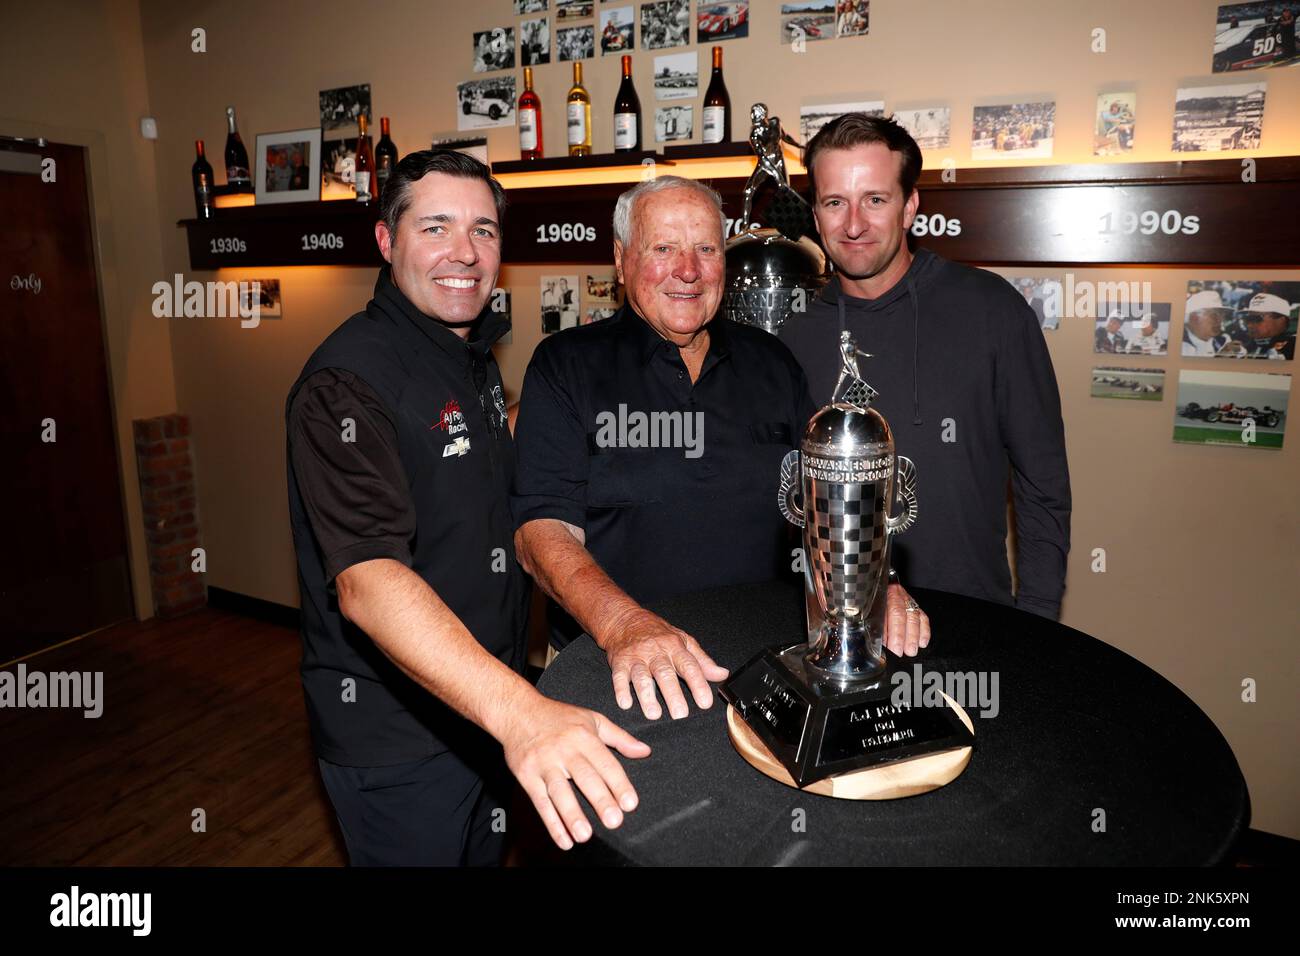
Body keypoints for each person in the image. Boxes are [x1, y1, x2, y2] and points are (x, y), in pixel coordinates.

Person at [285, 150, 647, 863]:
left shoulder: (466, 352)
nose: (465, 253)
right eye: (437, 228)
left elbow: (469, 470)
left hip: (479, 709)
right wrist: (525, 714)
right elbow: (368, 580)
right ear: (387, 242)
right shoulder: (345, 385)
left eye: (483, 231)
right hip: (400, 740)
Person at [511, 175, 930, 721]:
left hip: (767, 669)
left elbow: (827, 503)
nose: (688, 270)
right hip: (618, 668)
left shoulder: (773, 364)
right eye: (663, 248)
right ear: (621, 259)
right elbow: (540, 533)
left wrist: (877, 586)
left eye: (706, 249)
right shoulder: (564, 365)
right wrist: (624, 624)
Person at [778, 113, 1072, 620]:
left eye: (875, 199)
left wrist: (1038, 627)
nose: (853, 224)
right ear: (815, 214)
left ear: (910, 206)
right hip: (831, 628)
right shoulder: (794, 332)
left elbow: (1042, 484)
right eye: (834, 202)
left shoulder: (992, 311)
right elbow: (789, 497)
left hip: (971, 621)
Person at [1236, 292, 1295, 359]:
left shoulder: (1293, 347)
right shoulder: (1244, 347)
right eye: (1247, 319)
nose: (1249, 325)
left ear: (1281, 321)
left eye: (1256, 319)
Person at [1182, 290, 1234, 355]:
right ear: (1194, 318)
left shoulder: (1223, 341)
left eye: (1221, 315)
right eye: (1213, 315)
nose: (1219, 320)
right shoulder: (1178, 346)